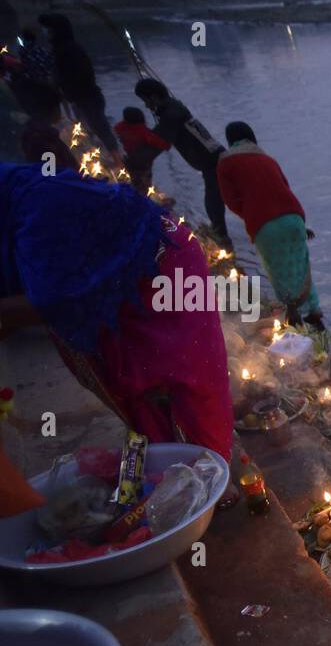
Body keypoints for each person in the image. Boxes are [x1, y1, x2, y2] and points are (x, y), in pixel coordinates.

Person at [0, 163, 233, 460]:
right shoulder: (17, 207)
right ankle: (169, 457)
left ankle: (209, 466)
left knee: (189, 376)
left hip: (162, 265)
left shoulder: (39, 210)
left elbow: (51, 302)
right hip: (118, 282)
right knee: (130, 378)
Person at [217, 121, 322, 328]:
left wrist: (253, 217)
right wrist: (300, 225)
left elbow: (230, 201)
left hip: (265, 224)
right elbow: (283, 188)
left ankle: (295, 322)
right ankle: (315, 316)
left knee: (278, 272)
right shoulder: (267, 158)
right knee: (301, 266)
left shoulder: (225, 163)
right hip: (294, 218)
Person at [132, 78, 230, 246]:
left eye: (145, 101)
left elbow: (158, 142)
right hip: (212, 158)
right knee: (215, 195)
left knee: (214, 197)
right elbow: (157, 138)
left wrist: (137, 163)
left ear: (154, 97)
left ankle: (221, 235)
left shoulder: (171, 114)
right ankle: (220, 231)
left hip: (212, 160)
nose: (147, 106)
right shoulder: (171, 108)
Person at [36, 13, 118, 155]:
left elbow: (81, 76)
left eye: (48, 29)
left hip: (87, 98)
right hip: (78, 99)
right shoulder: (60, 50)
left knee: (99, 128)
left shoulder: (70, 50)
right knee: (88, 130)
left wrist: (64, 87)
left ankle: (117, 161)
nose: (46, 32)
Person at [19, 81, 76, 173]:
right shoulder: (39, 139)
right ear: (50, 110)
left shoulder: (43, 132)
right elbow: (51, 174)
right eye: (58, 107)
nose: (60, 113)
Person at [114, 106, 170, 194]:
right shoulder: (143, 131)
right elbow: (161, 143)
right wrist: (167, 142)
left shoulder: (119, 127)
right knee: (142, 184)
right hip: (141, 164)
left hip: (126, 159)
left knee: (128, 178)